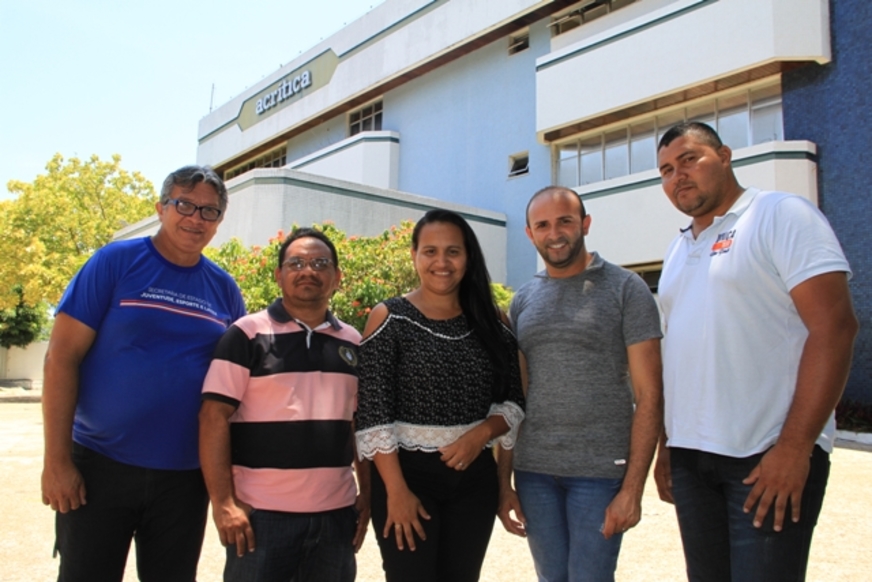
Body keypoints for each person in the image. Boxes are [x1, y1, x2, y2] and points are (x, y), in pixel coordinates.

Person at [654, 122, 858, 582]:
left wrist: (795, 448)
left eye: (689, 159)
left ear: (725, 156)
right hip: (692, 458)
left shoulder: (781, 214)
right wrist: (668, 444)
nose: (678, 176)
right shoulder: (677, 248)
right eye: (666, 170)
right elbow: (678, 352)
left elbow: (835, 327)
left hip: (766, 454)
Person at [41, 165, 246, 581]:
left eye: (209, 211)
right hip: (99, 466)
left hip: (185, 477)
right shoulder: (114, 262)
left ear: (219, 221)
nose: (195, 218)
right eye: (184, 205)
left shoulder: (224, 289)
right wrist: (57, 461)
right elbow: (61, 358)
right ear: (161, 208)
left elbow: (235, 387)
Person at [497, 186, 663, 582]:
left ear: (585, 224)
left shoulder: (627, 289)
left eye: (565, 222)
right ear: (529, 234)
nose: (555, 234)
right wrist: (504, 483)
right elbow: (513, 400)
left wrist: (633, 489)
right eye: (543, 225)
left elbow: (650, 395)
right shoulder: (523, 300)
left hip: (600, 472)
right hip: (534, 472)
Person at [354, 209, 525, 582]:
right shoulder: (389, 318)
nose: (442, 262)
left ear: (468, 256)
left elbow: (514, 400)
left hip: (474, 480)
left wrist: (480, 435)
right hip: (405, 477)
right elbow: (373, 414)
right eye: (430, 251)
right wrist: (395, 492)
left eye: (453, 251)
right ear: (414, 255)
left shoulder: (494, 321)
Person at [199, 228, 369, 582]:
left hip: (336, 517)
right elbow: (213, 418)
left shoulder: (355, 343)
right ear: (278, 275)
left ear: (337, 277)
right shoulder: (246, 335)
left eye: (320, 263)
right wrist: (223, 503)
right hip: (261, 517)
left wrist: (367, 495)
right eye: (296, 263)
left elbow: (361, 428)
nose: (308, 271)